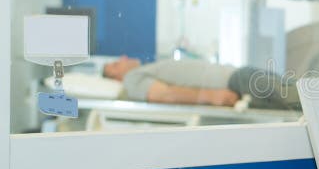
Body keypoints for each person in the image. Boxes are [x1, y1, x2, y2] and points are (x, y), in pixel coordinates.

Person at [103, 56, 300, 110]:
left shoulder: (144, 70)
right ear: (115, 78)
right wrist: (211, 96)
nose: (122, 57)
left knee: (302, 93)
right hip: (237, 83)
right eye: (114, 64)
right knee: (305, 98)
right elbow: (163, 94)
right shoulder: (132, 80)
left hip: (241, 77)